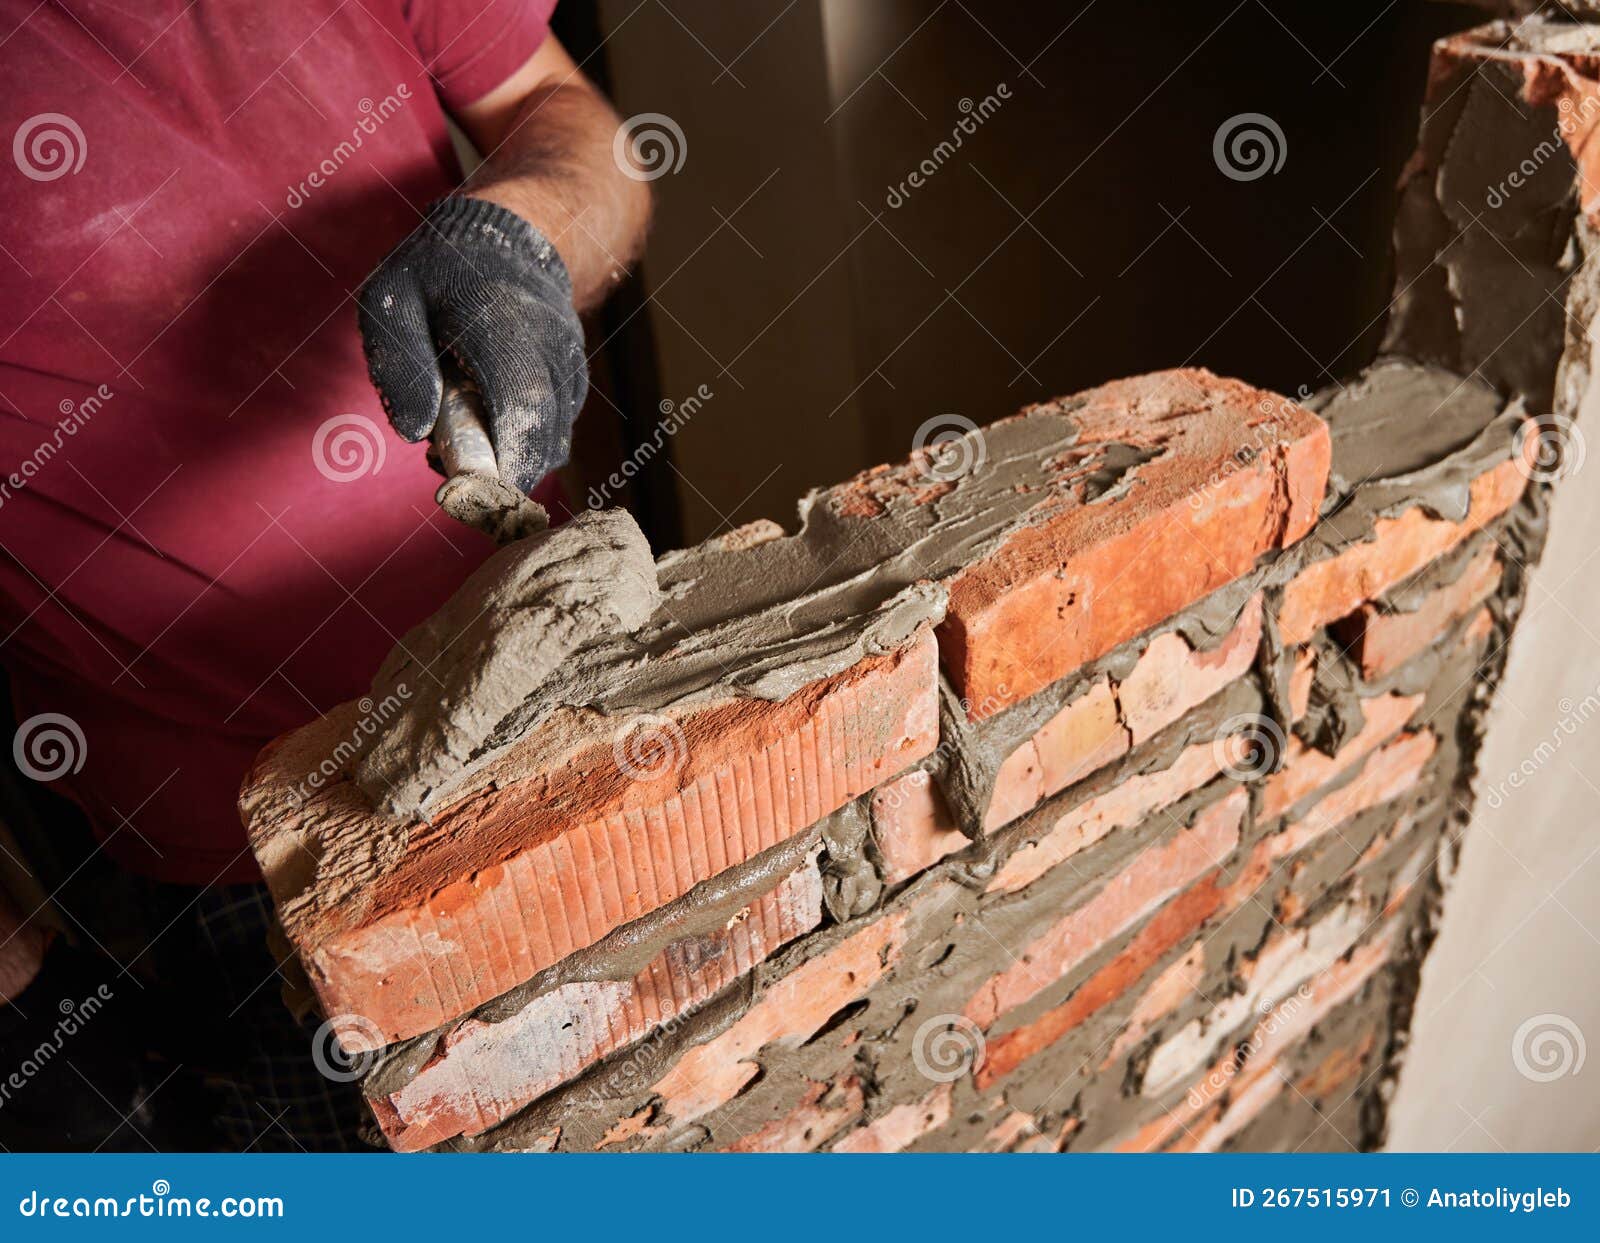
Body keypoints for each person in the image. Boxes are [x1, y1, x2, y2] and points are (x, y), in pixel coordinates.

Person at [0, 0, 651, 1149]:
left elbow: (568, 119)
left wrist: (520, 234)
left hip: (558, 689)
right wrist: (23, 1007)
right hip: (239, 864)